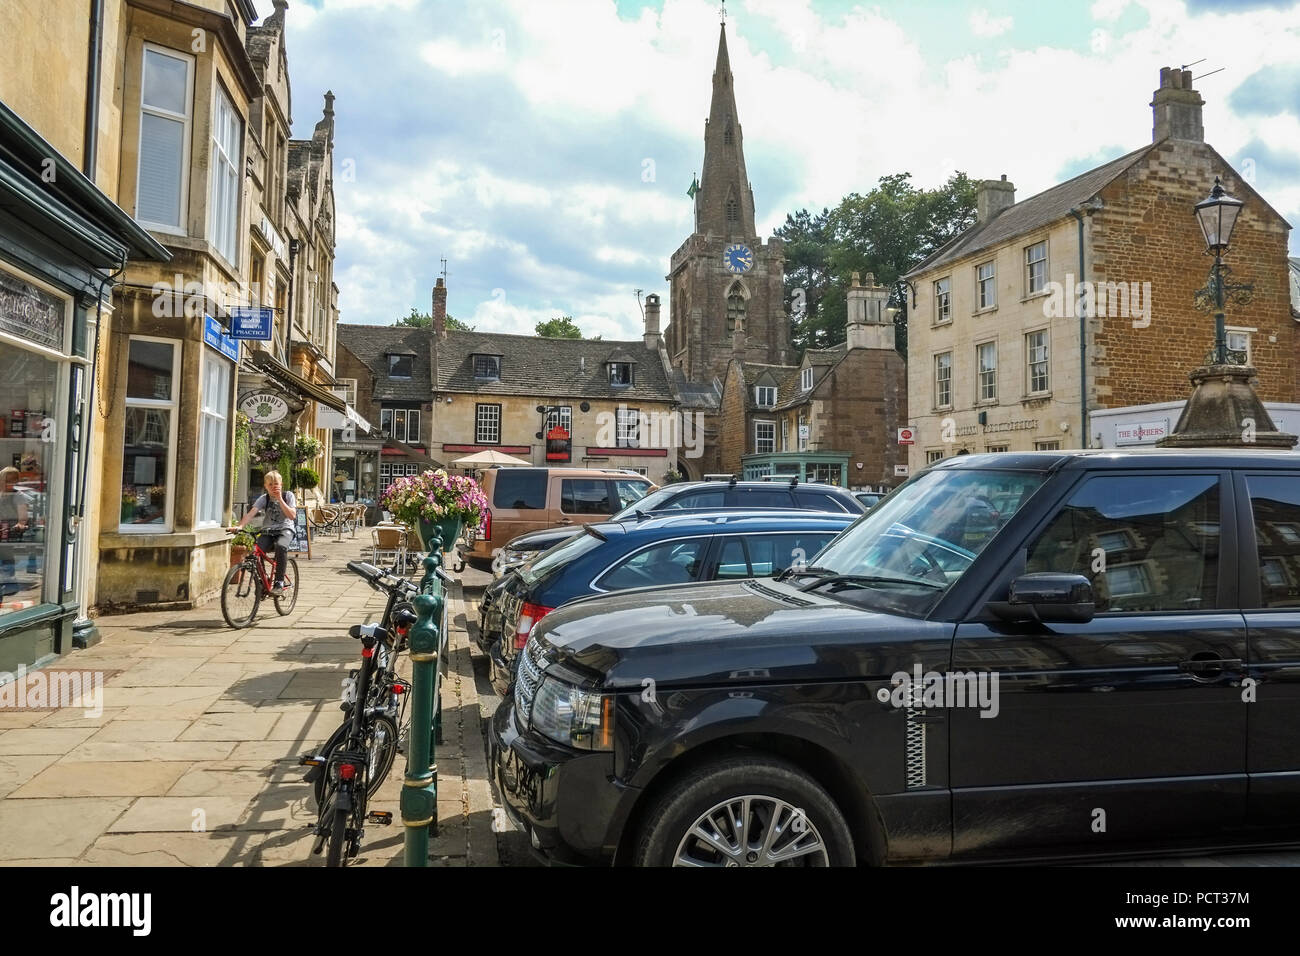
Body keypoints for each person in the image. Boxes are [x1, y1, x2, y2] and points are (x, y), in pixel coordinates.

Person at [233, 470, 296, 595]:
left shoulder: (288, 496)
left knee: (281, 546)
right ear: (265, 486)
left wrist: (279, 499)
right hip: (268, 531)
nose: (273, 486)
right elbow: (251, 514)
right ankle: (263, 580)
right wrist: (239, 526)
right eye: (270, 484)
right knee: (255, 551)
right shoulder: (264, 498)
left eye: (276, 484)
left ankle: (279, 582)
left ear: (281, 484)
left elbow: (292, 515)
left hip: (285, 529)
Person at [0, 467, 30, 591]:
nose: (11, 484)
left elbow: (23, 515)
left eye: (14, 481)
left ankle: (10, 581)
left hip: (9, 529)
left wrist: (20, 524)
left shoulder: (18, 496)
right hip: (2, 526)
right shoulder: (1, 495)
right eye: (8, 481)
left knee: (6, 555)